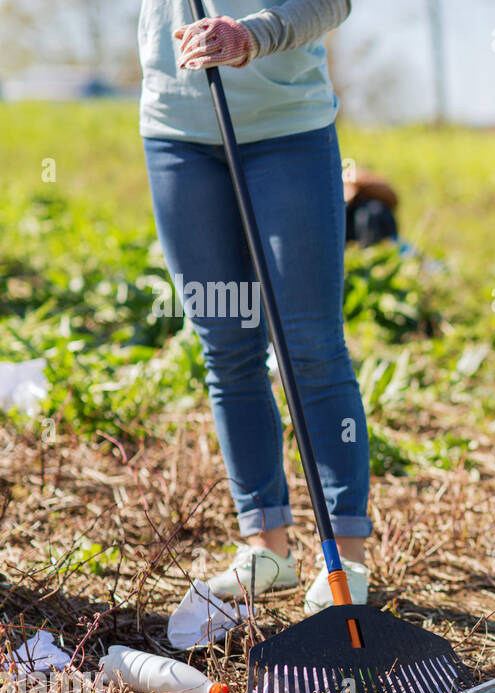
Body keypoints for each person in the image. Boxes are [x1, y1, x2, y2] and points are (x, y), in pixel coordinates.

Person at [139, 1, 370, 611]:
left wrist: (250, 36)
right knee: (228, 344)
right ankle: (267, 549)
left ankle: (346, 559)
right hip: (177, 135)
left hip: (287, 130)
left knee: (310, 345)